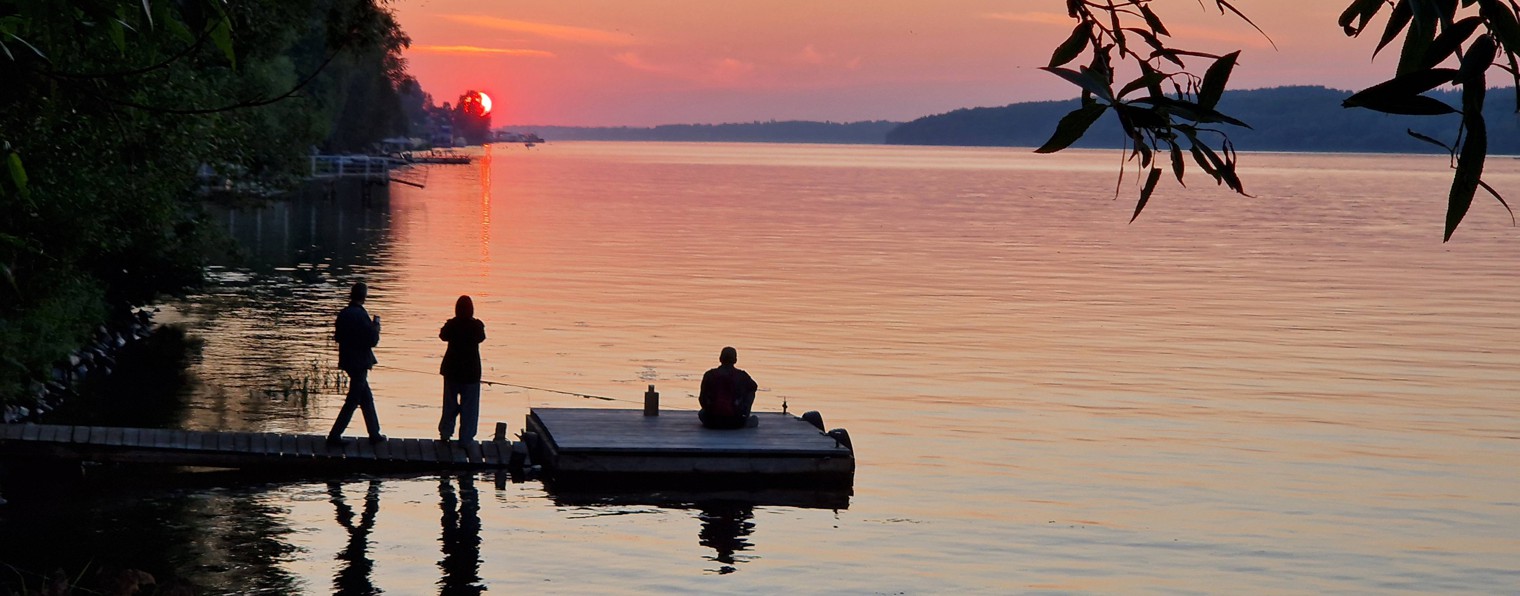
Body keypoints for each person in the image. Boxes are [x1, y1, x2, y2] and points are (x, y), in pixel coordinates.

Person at [327, 282, 385, 445]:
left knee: (366, 397)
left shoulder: (344, 313)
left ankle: (374, 433)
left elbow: (338, 337)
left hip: (348, 360)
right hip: (359, 363)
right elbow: (372, 341)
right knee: (353, 400)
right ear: (364, 297)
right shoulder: (361, 315)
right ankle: (334, 436)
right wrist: (376, 328)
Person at [438, 295, 486, 443]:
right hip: (471, 373)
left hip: (452, 370)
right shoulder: (476, 326)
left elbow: (443, 336)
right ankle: (466, 437)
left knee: (449, 404)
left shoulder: (452, 325)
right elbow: (481, 337)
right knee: (470, 408)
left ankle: (446, 433)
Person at [698, 346, 758, 429]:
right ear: (735, 360)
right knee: (751, 392)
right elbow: (754, 387)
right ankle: (745, 417)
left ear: (720, 358)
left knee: (701, 413)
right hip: (736, 421)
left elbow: (702, 398)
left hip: (711, 421)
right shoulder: (742, 376)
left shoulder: (709, 374)